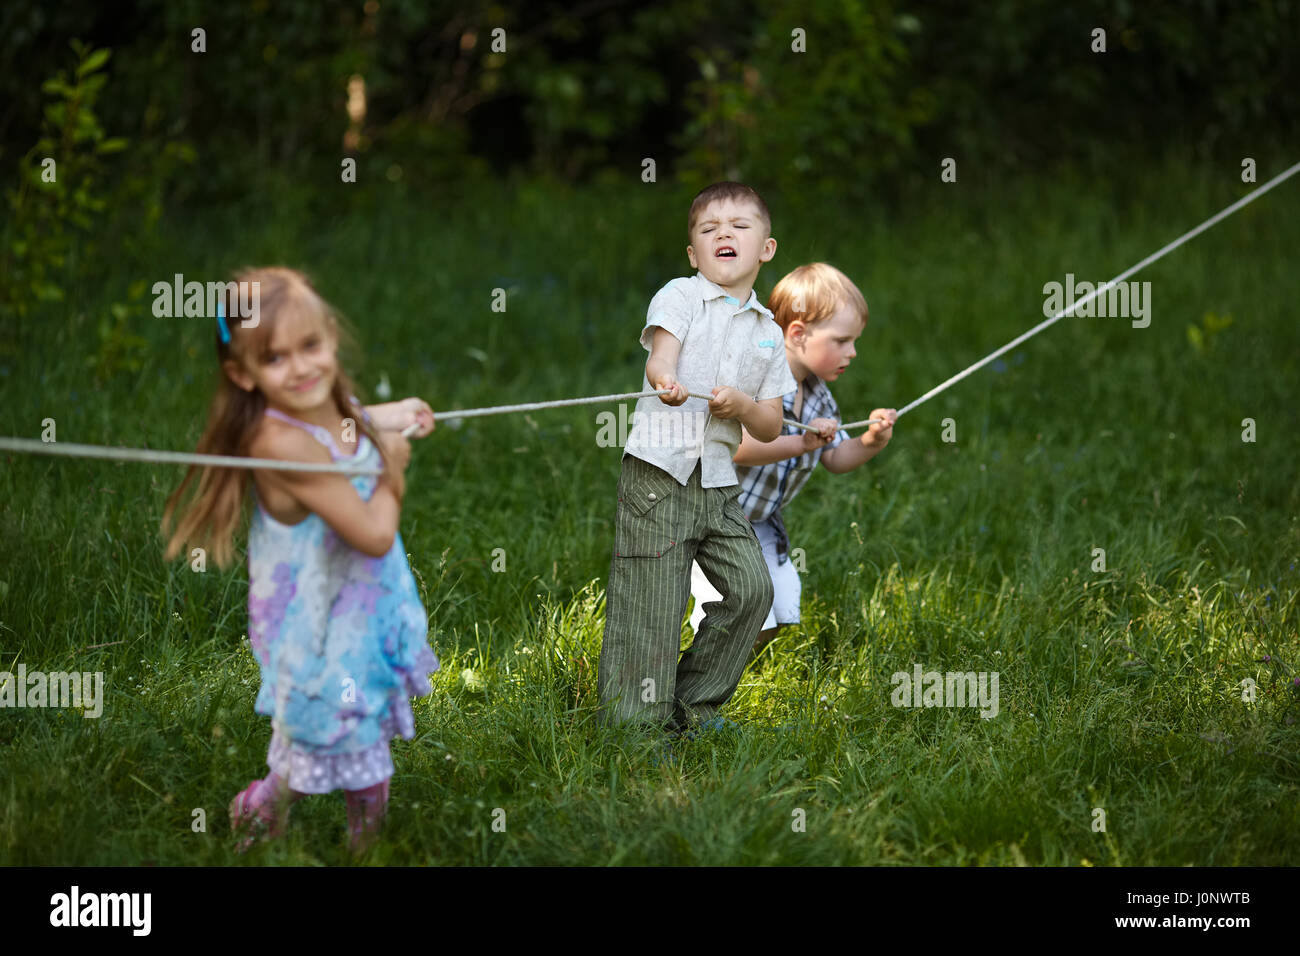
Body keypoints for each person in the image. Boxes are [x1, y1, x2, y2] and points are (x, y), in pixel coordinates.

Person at [161, 266, 438, 853]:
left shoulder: (322, 405)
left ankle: (313, 827)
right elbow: (373, 535)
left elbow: (344, 425)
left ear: (330, 336)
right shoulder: (278, 442)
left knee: (350, 735)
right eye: (276, 358)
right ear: (243, 373)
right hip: (319, 625)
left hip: (357, 607)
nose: (302, 368)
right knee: (336, 737)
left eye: (310, 346)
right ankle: (295, 825)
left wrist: (386, 417)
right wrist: (391, 466)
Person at [598, 182, 797, 733]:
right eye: (709, 230)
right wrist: (667, 380)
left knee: (754, 589)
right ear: (694, 254)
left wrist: (743, 406)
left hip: (717, 481)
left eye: (738, 227)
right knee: (653, 605)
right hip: (659, 475)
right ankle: (632, 726)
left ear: (766, 248)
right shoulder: (679, 297)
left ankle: (691, 705)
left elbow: (771, 423)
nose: (723, 235)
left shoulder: (768, 334)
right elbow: (662, 358)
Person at [688, 263, 897, 656]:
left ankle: (732, 677)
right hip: (716, 518)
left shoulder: (817, 395)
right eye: (842, 340)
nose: (852, 352)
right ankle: (697, 684)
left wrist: (872, 440)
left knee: (782, 605)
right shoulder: (759, 378)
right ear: (798, 334)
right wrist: (802, 444)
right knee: (741, 609)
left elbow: (834, 457)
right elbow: (741, 447)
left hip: (762, 519)